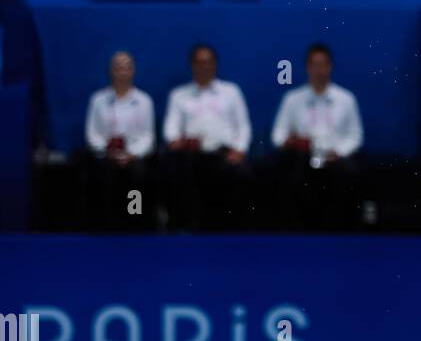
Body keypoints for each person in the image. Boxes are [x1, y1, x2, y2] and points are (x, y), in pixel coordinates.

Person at [269, 43, 364, 230]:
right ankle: (298, 229)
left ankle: (341, 231)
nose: (319, 70)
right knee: (292, 171)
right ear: (307, 68)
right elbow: (278, 134)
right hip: (303, 156)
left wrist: (338, 152)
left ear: (331, 67)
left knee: (349, 172)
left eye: (323, 65)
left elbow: (355, 135)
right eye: (314, 65)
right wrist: (289, 141)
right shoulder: (292, 98)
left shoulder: (346, 99)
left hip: (334, 157)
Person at [161, 43, 253, 231]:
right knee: (177, 167)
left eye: (209, 62)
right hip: (191, 154)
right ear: (192, 65)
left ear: (216, 64)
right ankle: (186, 227)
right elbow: (171, 127)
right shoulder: (179, 95)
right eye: (200, 62)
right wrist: (174, 140)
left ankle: (230, 231)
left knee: (239, 173)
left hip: (223, 153)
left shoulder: (231, 92)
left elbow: (243, 126)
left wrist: (240, 150)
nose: (204, 66)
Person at [82, 50, 156, 230]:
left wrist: (132, 154)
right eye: (118, 67)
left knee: (137, 174)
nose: (122, 70)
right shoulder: (98, 100)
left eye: (127, 66)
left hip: (133, 156)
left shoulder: (144, 100)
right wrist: (106, 149)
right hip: (106, 155)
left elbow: (148, 135)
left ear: (133, 71)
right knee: (102, 173)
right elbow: (92, 133)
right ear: (110, 71)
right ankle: (106, 222)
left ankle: (135, 218)